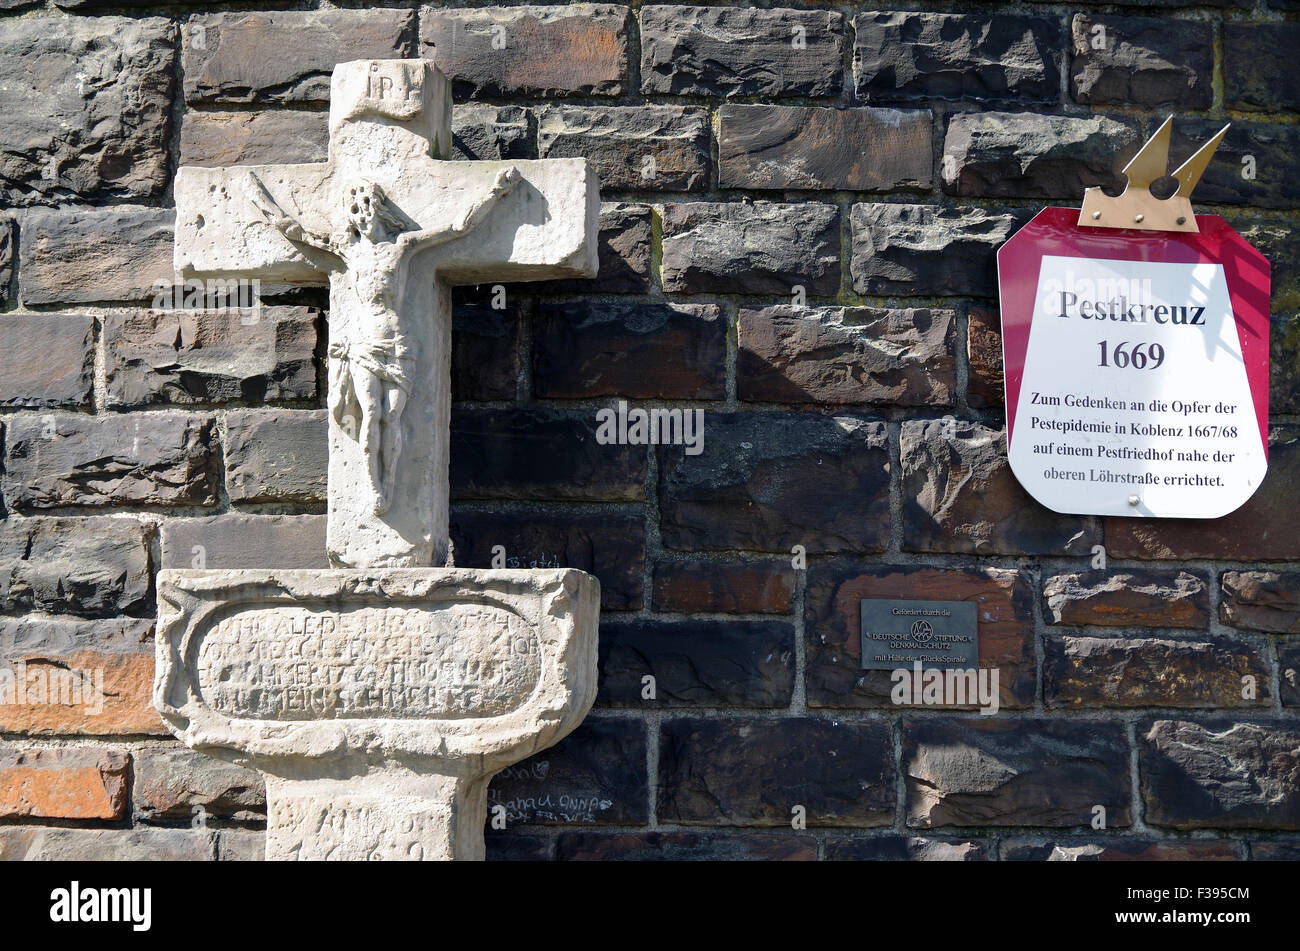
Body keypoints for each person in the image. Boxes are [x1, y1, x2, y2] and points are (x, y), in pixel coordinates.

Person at [246, 167, 520, 514]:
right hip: (363, 345)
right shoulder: (347, 248)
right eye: (354, 209)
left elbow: (458, 228)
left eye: (366, 206)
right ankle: (373, 488)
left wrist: (496, 192)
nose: (361, 215)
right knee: (370, 414)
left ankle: (389, 483)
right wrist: (259, 198)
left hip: (400, 344)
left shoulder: (403, 245)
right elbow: (296, 232)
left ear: (379, 206)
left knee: (392, 417)